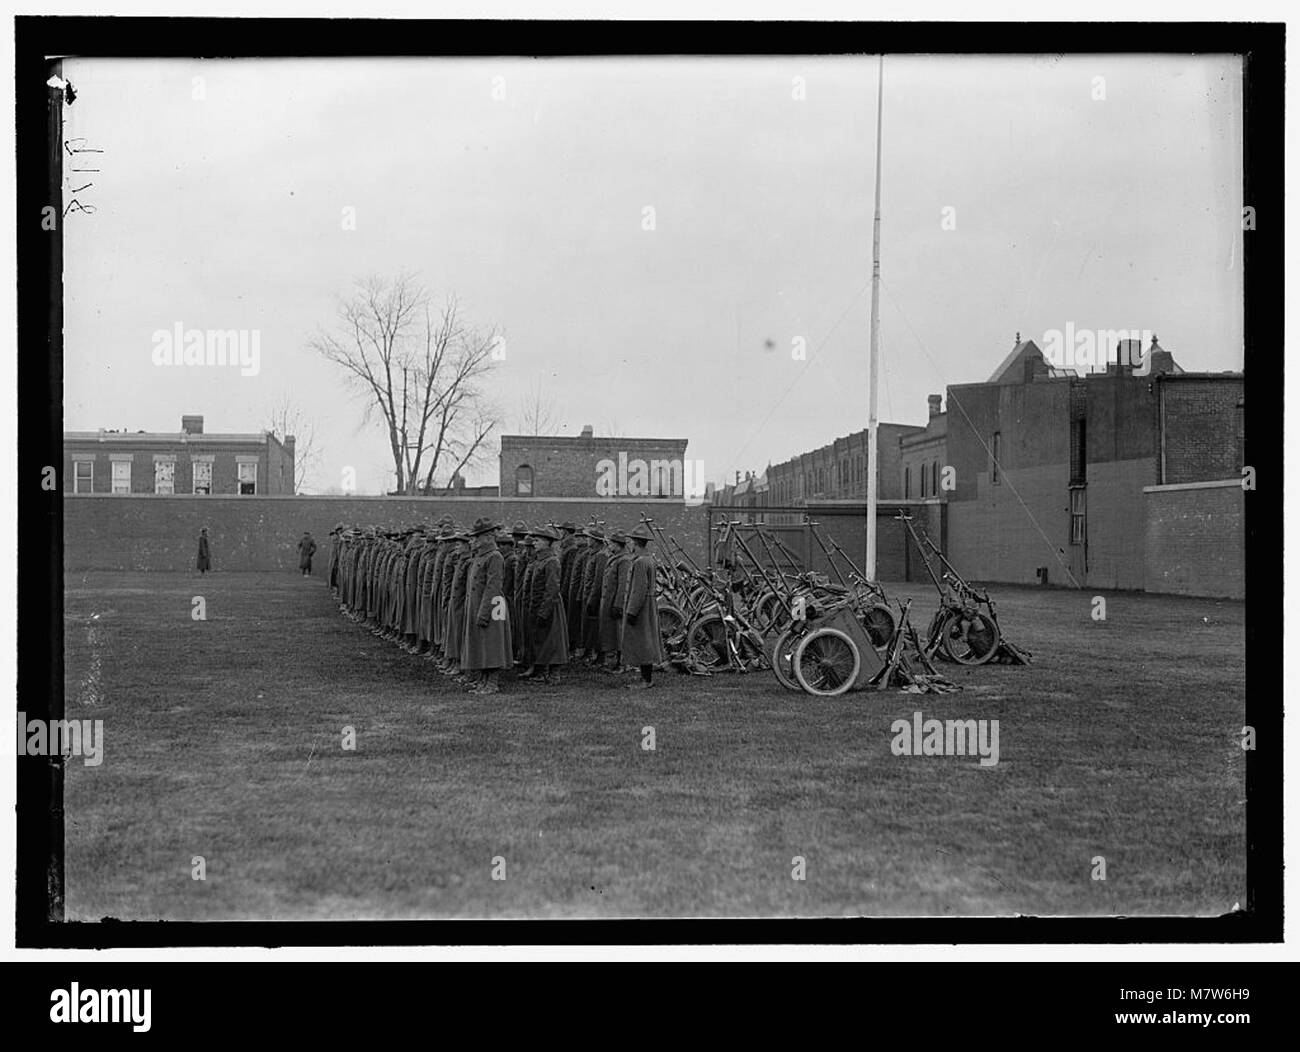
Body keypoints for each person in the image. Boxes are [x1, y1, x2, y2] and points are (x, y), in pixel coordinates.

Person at [462, 518, 513, 696]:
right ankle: (482, 680)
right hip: (480, 604)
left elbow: (493, 587)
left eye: (477, 537)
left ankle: (492, 682)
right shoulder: (480, 556)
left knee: (492, 644)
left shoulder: (494, 557)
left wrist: (484, 612)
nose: (473, 541)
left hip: (493, 606)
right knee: (481, 643)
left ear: (488, 537)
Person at [621, 523, 665, 689]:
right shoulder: (648, 560)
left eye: (632, 541)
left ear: (635, 543)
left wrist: (632, 611)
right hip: (647, 605)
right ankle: (645, 677)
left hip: (641, 607)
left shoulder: (640, 562)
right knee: (645, 641)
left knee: (643, 643)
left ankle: (646, 679)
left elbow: (639, 589)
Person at [526, 526, 569, 685]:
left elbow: (552, 588)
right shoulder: (540, 560)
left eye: (537, 540)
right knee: (542, 639)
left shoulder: (551, 561)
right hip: (539, 604)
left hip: (550, 606)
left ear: (547, 542)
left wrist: (544, 611)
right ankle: (541, 672)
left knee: (553, 641)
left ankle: (554, 674)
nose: (534, 543)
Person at [599, 530, 631, 672]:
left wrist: (618, 605)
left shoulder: (624, 560)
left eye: (611, 543)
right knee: (613, 633)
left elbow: (623, 585)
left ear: (618, 545)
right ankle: (618, 662)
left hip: (616, 603)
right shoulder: (616, 558)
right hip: (610, 601)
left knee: (619, 634)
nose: (609, 546)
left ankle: (623, 663)